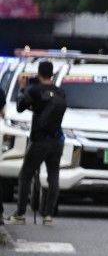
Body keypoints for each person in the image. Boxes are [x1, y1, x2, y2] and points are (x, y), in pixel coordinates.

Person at [9, 60, 67, 225]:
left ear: (39, 72)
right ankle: (48, 215)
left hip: (39, 141)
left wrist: (22, 87)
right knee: (53, 176)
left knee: (26, 175)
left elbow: (20, 107)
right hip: (57, 140)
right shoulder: (60, 93)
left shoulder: (34, 91)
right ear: (53, 73)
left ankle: (20, 214)